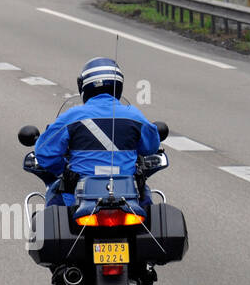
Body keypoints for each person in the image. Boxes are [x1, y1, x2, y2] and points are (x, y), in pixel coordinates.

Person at [34, 57, 161, 207]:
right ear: (118, 85)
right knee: (148, 208)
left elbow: (44, 153)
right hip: (128, 198)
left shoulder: (72, 117)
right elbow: (151, 147)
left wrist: (63, 170)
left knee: (51, 211)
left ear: (84, 87)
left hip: (77, 199)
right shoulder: (134, 116)